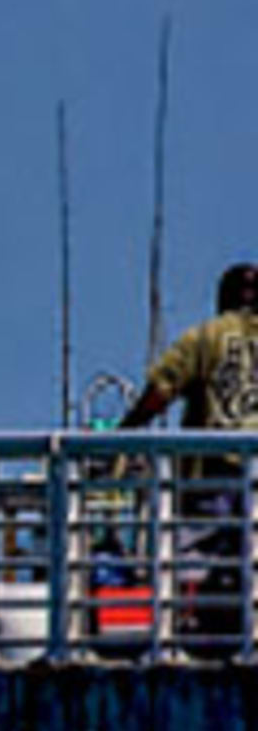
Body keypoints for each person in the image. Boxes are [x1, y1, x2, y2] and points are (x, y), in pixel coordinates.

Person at [121, 263, 258, 649]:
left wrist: (123, 433)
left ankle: (212, 630)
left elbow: (161, 390)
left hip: (216, 471)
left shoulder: (206, 337)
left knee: (211, 557)